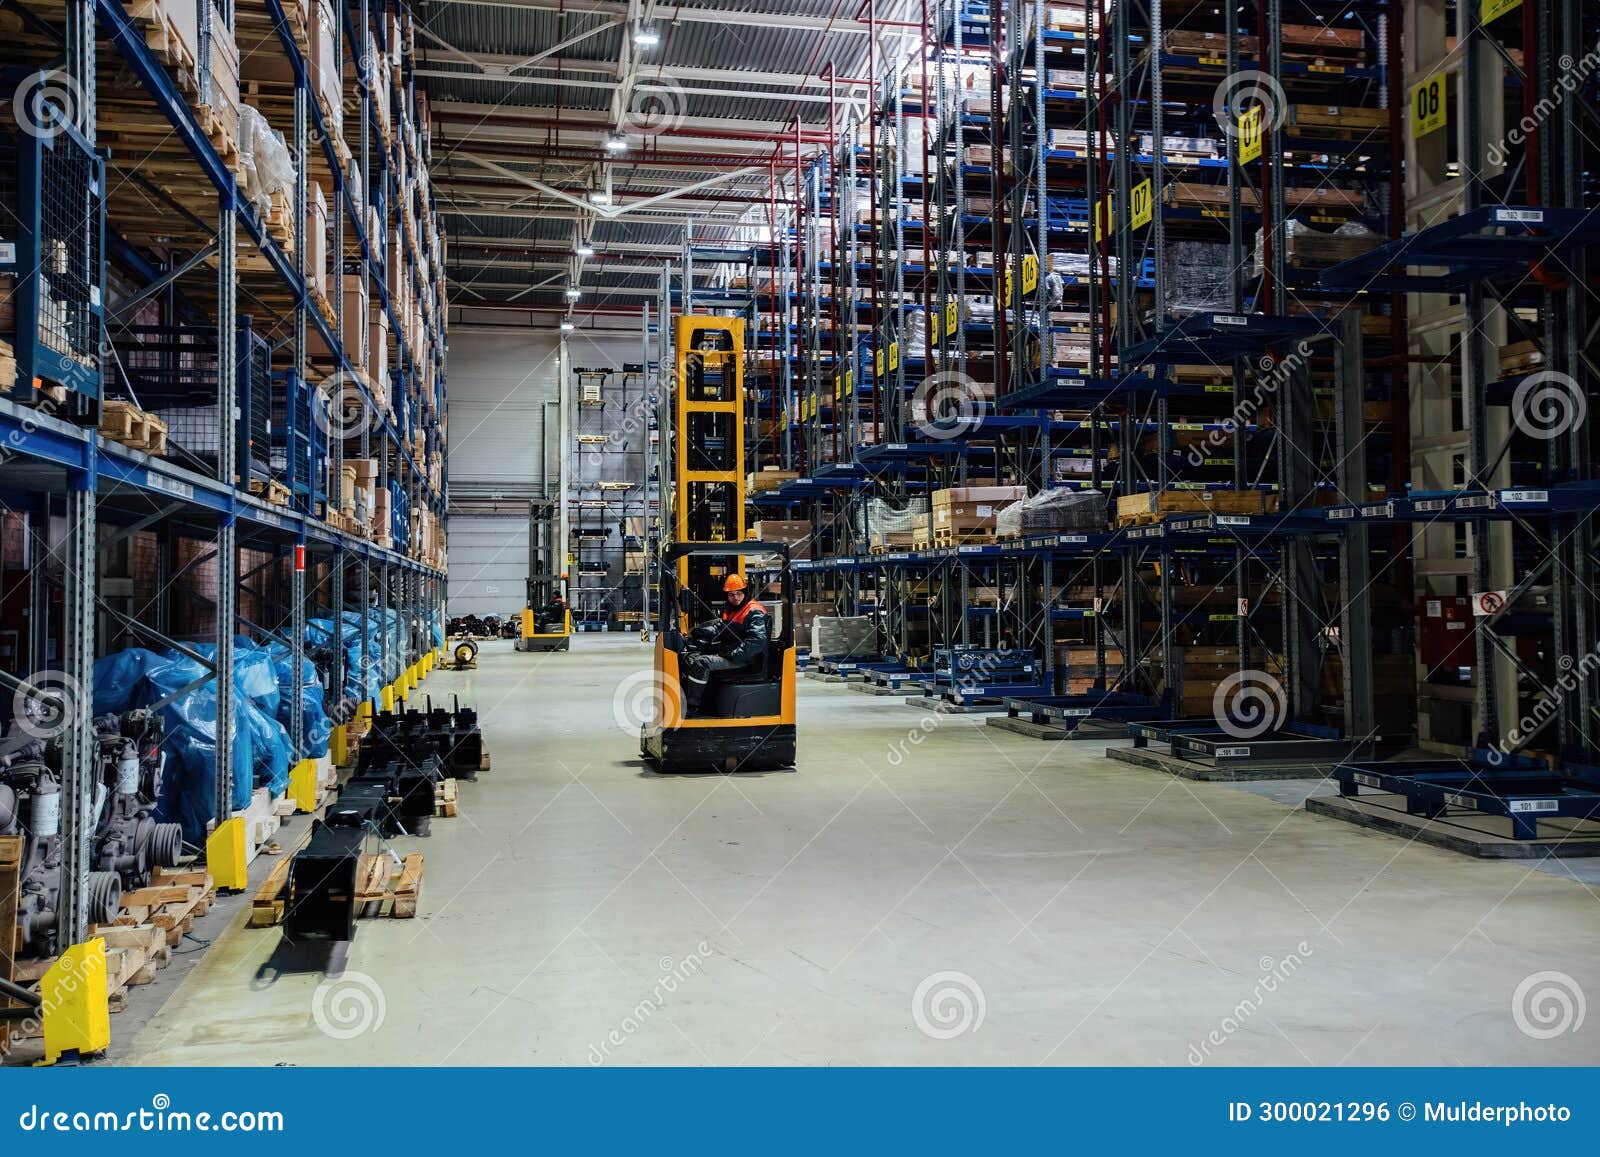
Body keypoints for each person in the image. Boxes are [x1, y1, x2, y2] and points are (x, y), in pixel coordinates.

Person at [680, 573, 769, 711]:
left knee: (702, 663)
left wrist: (733, 654)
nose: (735, 597)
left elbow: (756, 641)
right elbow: (720, 628)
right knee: (691, 657)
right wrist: (703, 631)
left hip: (745, 658)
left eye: (738, 593)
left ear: (744, 592)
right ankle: (697, 697)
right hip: (730, 651)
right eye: (731, 594)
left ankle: (692, 706)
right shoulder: (731, 609)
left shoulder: (753, 611)